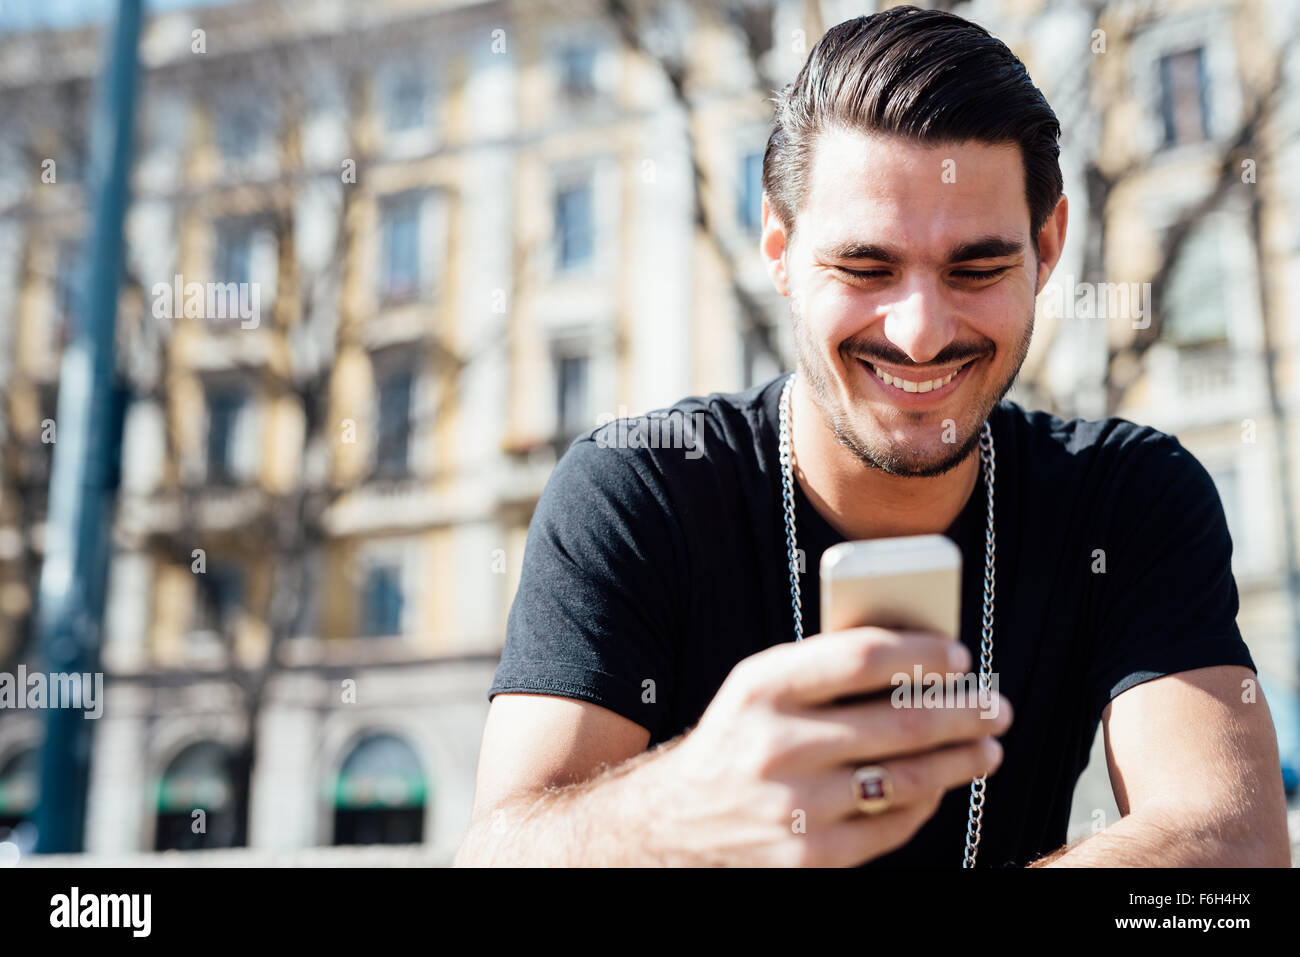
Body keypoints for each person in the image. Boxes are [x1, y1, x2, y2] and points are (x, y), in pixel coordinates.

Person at [456, 6, 1290, 867]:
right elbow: (499, 852)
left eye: (977, 268)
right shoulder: (636, 489)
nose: (921, 332)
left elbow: (1231, 853)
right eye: (865, 268)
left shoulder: (1129, 496)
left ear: (1048, 247)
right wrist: (684, 805)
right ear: (778, 249)